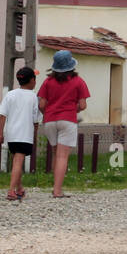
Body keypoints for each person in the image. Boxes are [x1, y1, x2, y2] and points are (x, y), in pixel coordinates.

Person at [37, 50, 90, 198]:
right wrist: (73, 109)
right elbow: (83, 105)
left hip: (49, 121)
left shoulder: (48, 81)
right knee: (62, 156)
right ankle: (57, 190)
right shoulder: (78, 81)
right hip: (67, 120)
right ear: (71, 65)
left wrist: (47, 113)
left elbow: (41, 104)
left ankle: (55, 187)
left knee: (55, 154)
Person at [0, 66, 40, 201]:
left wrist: (0, 133)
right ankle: (11, 191)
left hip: (11, 135)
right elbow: (36, 120)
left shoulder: (10, 94)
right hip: (24, 135)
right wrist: (35, 135)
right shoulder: (34, 97)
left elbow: (2, 115)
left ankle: (20, 188)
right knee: (18, 162)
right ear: (32, 80)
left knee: (16, 161)